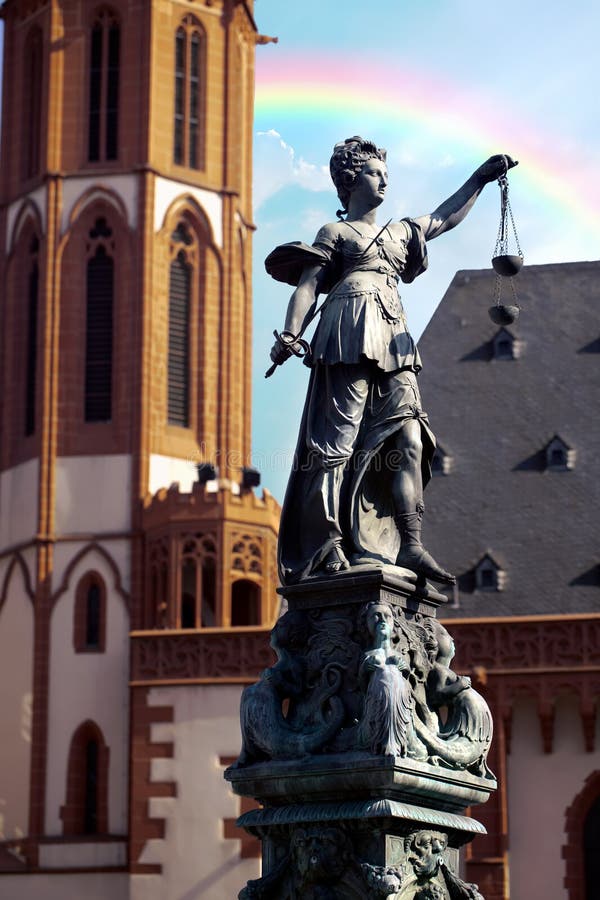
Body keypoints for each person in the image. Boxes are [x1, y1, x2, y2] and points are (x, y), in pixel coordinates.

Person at [267, 136, 516, 585]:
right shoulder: (336, 233)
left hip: (394, 335)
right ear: (350, 180)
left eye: (386, 173)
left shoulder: (400, 232)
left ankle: (410, 543)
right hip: (347, 330)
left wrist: (479, 179)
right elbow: (308, 286)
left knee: (410, 438)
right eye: (374, 173)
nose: (384, 181)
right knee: (336, 444)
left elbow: (443, 217)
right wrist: (290, 332)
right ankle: (327, 544)